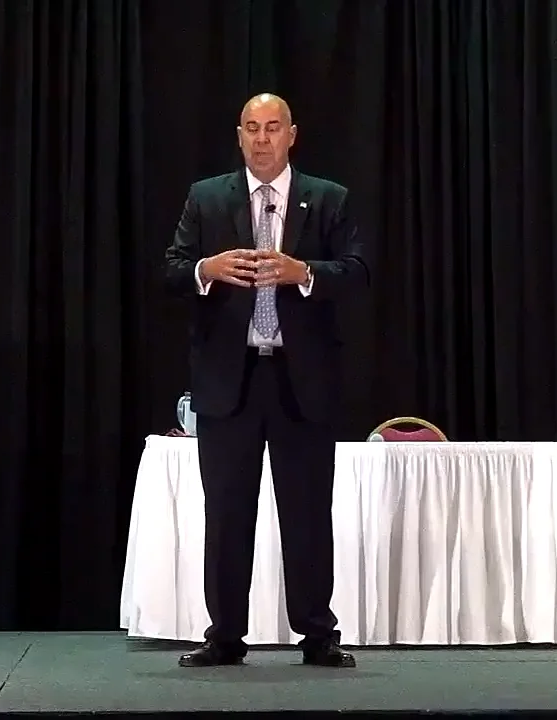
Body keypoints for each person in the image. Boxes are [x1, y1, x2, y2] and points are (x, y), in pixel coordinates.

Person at [163, 93, 368, 668]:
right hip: (230, 382)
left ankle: (317, 634)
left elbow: (357, 272)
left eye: (272, 128)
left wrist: (305, 273)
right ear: (238, 135)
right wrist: (206, 269)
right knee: (228, 514)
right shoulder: (207, 198)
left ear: (291, 135)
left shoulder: (328, 199)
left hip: (302, 382)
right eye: (251, 128)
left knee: (307, 513)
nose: (261, 139)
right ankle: (225, 635)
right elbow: (171, 270)